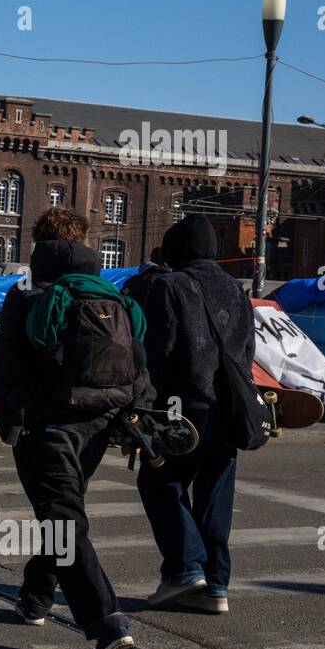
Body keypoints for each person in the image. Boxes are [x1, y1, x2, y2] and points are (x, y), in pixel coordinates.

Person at [0, 207, 154, 649]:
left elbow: (8, 361)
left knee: (63, 520)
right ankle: (37, 595)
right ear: (84, 242)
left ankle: (105, 622)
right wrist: (136, 412)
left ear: (37, 243)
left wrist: (11, 418)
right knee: (62, 509)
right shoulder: (108, 292)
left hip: (47, 422)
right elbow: (139, 359)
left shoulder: (25, 291)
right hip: (101, 420)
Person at [136, 215, 253, 614]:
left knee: (160, 484)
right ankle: (216, 584)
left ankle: (185, 570)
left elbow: (158, 354)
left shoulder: (167, 286)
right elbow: (249, 350)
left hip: (180, 409)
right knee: (215, 495)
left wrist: (143, 412)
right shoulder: (235, 289)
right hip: (230, 409)